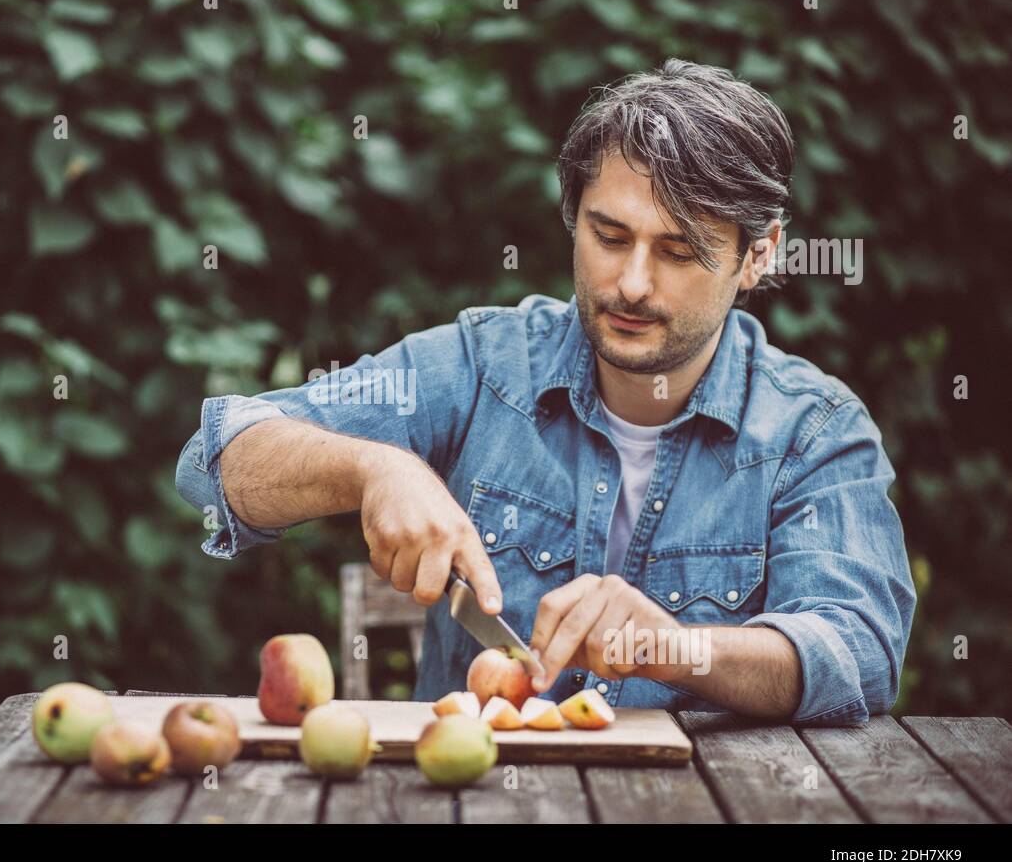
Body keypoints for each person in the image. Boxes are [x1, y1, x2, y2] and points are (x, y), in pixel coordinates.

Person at [174, 60, 915, 725]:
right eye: (610, 235)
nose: (630, 283)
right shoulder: (482, 365)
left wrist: (677, 649)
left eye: (679, 251)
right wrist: (372, 469)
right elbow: (212, 464)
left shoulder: (812, 430)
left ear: (759, 256)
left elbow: (858, 652)